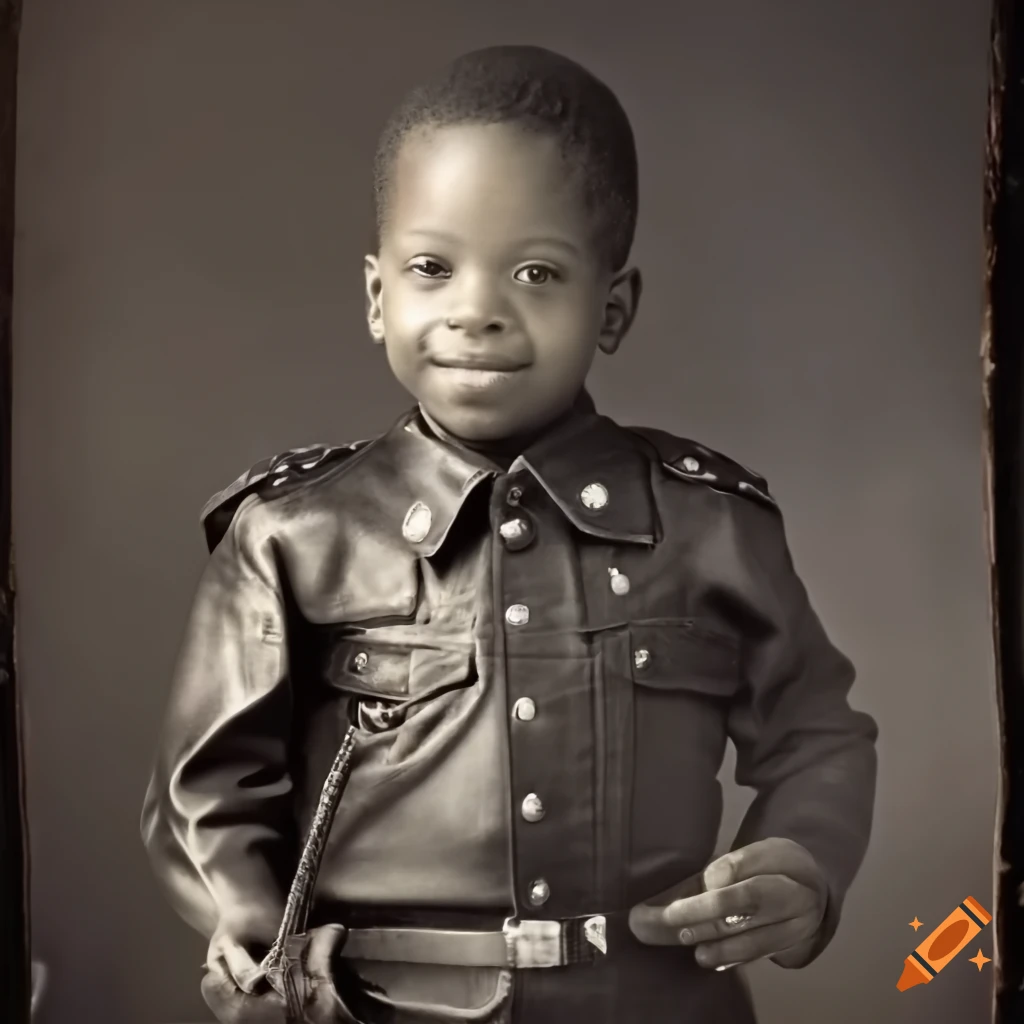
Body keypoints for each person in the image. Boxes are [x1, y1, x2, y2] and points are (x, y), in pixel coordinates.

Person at [141, 44, 878, 1024]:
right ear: (376, 295)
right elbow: (206, 792)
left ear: (611, 306)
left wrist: (801, 863)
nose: (475, 311)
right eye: (431, 268)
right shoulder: (293, 536)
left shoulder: (709, 525)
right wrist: (258, 942)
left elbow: (817, 735)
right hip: (376, 1009)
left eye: (534, 272)